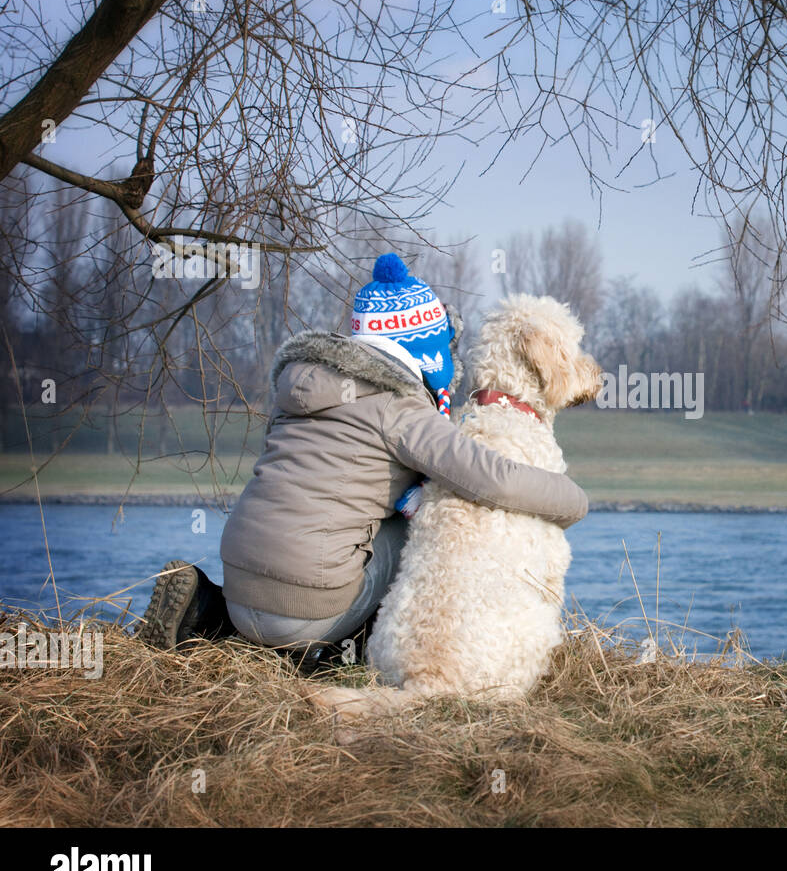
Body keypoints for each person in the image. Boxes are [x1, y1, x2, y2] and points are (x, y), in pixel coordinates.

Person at [136, 253, 588, 659]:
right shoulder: (400, 409)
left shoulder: (297, 387)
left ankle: (209, 612)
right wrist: (572, 499)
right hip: (308, 609)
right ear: (420, 346)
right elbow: (493, 479)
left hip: (240, 586)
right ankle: (342, 650)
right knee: (423, 521)